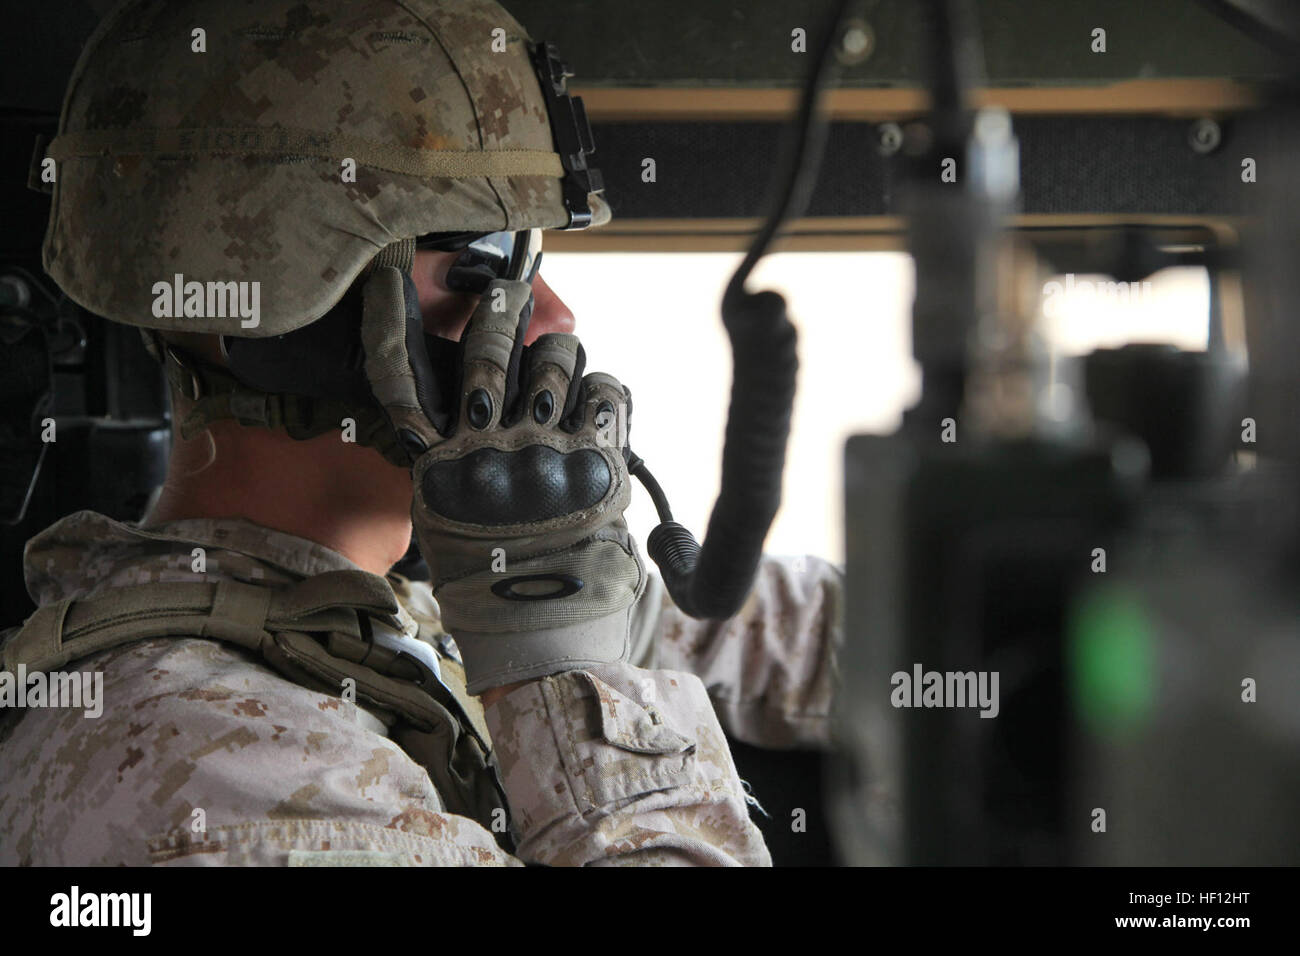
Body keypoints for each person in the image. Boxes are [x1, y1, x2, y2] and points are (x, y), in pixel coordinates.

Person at [0, 0, 841, 866]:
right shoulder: (227, 777)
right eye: (484, 261)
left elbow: (772, 634)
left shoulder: (384, 609)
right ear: (297, 331)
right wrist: (551, 649)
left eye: (533, 263)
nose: (551, 316)